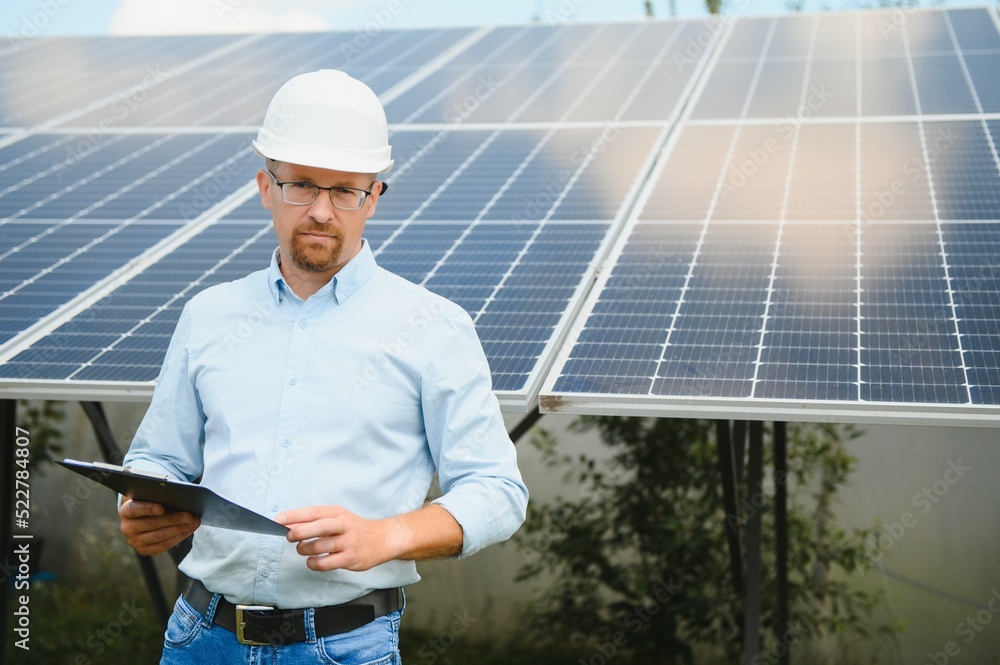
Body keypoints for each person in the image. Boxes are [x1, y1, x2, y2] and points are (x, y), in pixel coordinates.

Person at [118, 69, 528, 664]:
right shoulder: (209, 315)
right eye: (301, 185)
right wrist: (139, 506)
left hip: (343, 647)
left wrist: (385, 536)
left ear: (375, 196)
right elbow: (158, 459)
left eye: (345, 191)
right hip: (198, 638)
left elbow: (498, 491)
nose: (321, 211)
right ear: (265, 186)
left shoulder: (435, 328)